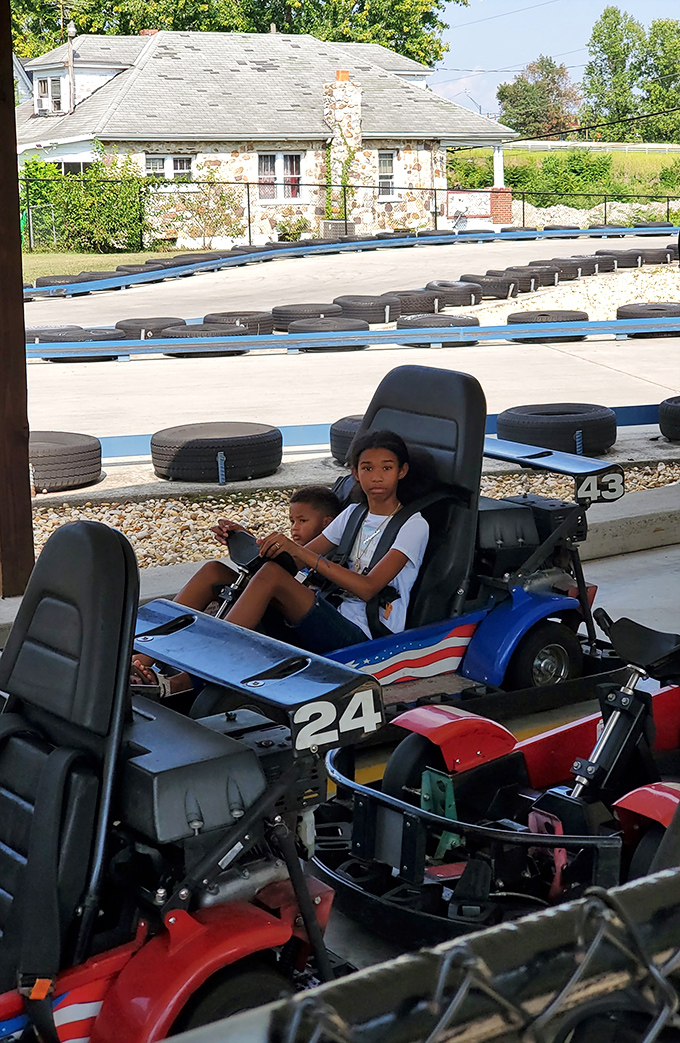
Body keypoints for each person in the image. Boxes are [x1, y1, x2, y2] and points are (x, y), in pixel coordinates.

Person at [223, 429, 429, 655]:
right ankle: (179, 658)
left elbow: (368, 588)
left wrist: (301, 553)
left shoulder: (414, 526)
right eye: (367, 468)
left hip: (368, 636)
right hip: (330, 612)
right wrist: (247, 540)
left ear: (402, 471)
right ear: (355, 473)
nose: (377, 477)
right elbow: (292, 563)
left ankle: (203, 670)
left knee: (270, 575)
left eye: (387, 468)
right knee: (215, 572)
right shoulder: (353, 513)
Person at [131, 484, 340, 694]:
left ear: (327, 524)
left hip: (323, 628)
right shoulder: (305, 550)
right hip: (292, 616)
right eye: (292, 521)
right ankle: (140, 658)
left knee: (269, 574)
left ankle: (180, 683)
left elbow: (282, 570)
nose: (294, 528)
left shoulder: (336, 549)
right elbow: (286, 563)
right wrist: (242, 537)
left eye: (302, 521)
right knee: (213, 571)